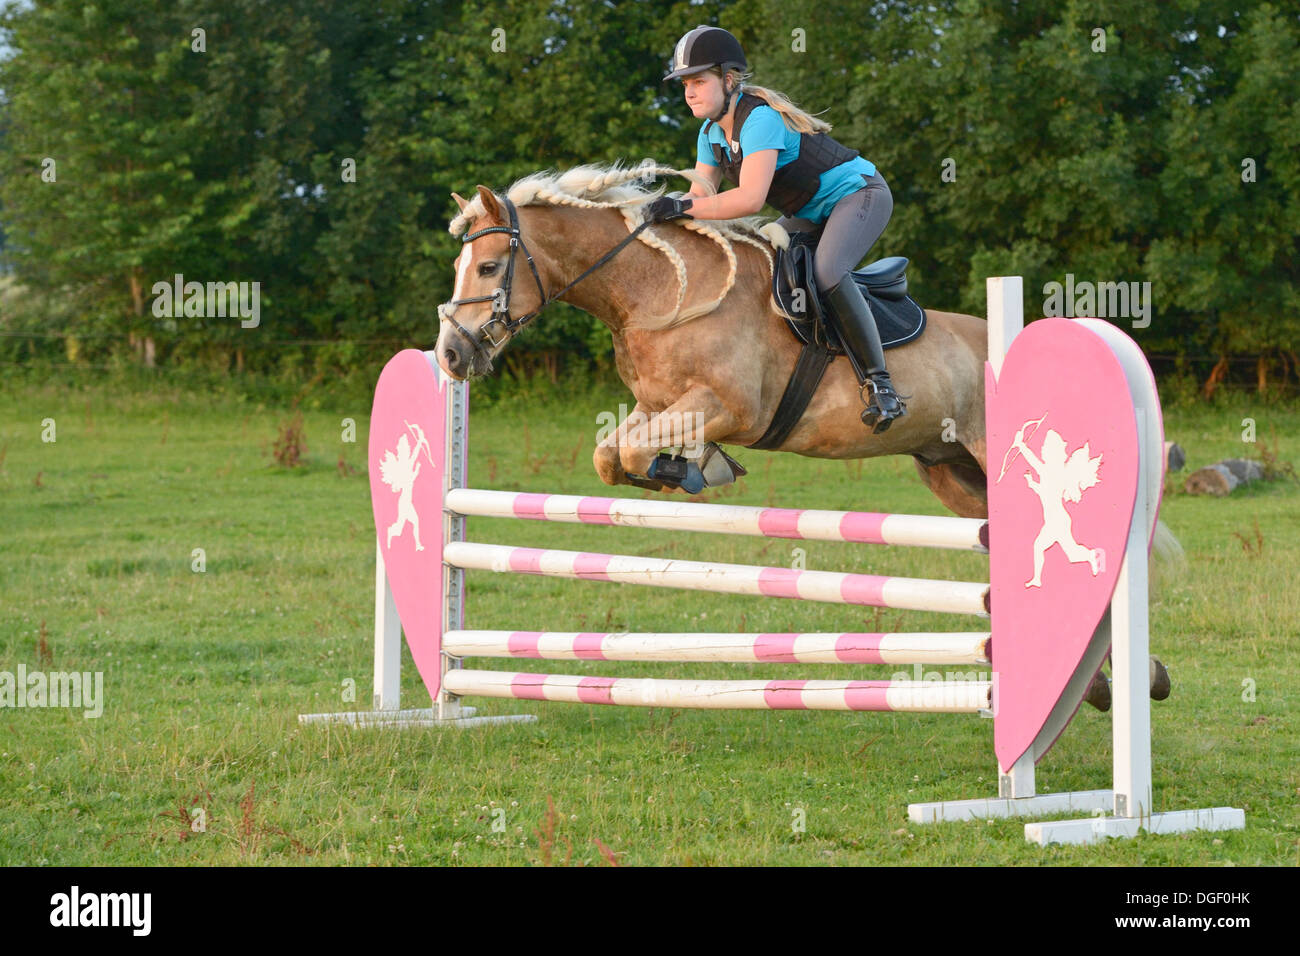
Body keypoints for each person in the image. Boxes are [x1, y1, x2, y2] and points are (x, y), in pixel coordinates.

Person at [645, 25, 905, 433]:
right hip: (808, 209)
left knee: (828, 272)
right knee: (762, 269)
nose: (689, 92)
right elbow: (701, 198)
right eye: (685, 84)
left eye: (698, 81)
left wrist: (685, 206)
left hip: (858, 196)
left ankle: (881, 384)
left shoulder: (760, 120)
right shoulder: (709, 133)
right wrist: (663, 213)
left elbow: (748, 200)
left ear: (729, 80)